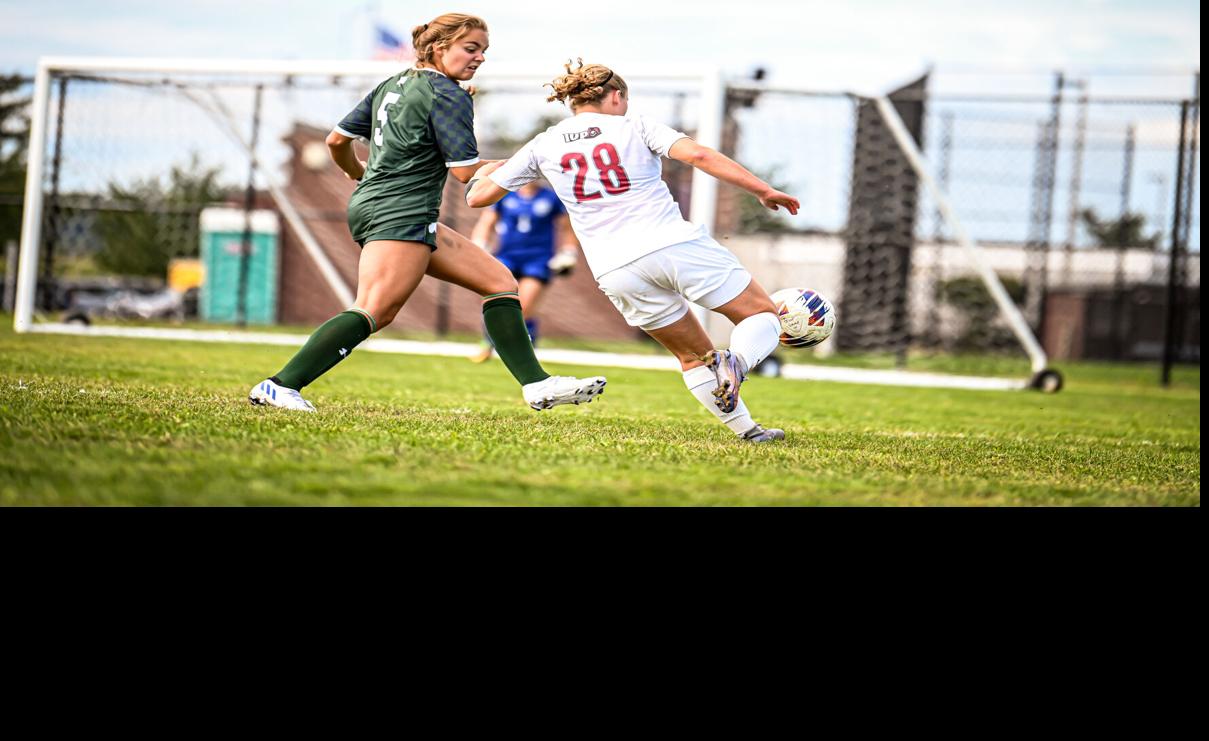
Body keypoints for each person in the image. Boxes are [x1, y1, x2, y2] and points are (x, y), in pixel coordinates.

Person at [248, 14, 604, 413]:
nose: (480, 58)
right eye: (471, 48)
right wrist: (532, 162)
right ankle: (279, 385)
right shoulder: (447, 94)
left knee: (499, 282)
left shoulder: (393, 84)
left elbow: (336, 141)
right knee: (374, 308)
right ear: (440, 48)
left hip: (393, 207)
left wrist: (357, 174)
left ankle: (536, 384)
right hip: (400, 211)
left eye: (484, 51)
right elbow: (466, 172)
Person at [465, 60, 798, 443]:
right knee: (761, 313)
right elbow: (699, 156)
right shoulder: (635, 124)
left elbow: (477, 197)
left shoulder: (544, 144)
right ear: (617, 96)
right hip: (671, 244)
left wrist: (504, 167)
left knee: (692, 357)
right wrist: (762, 189)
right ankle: (736, 363)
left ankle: (750, 432)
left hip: (614, 269)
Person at [466, 179, 581, 364]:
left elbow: (567, 229)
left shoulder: (551, 198)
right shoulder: (504, 196)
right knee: (496, 301)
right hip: (506, 257)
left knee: (525, 307)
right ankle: (488, 343)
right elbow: (486, 223)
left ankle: (526, 348)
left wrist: (569, 252)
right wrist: (479, 245)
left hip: (538, 260)